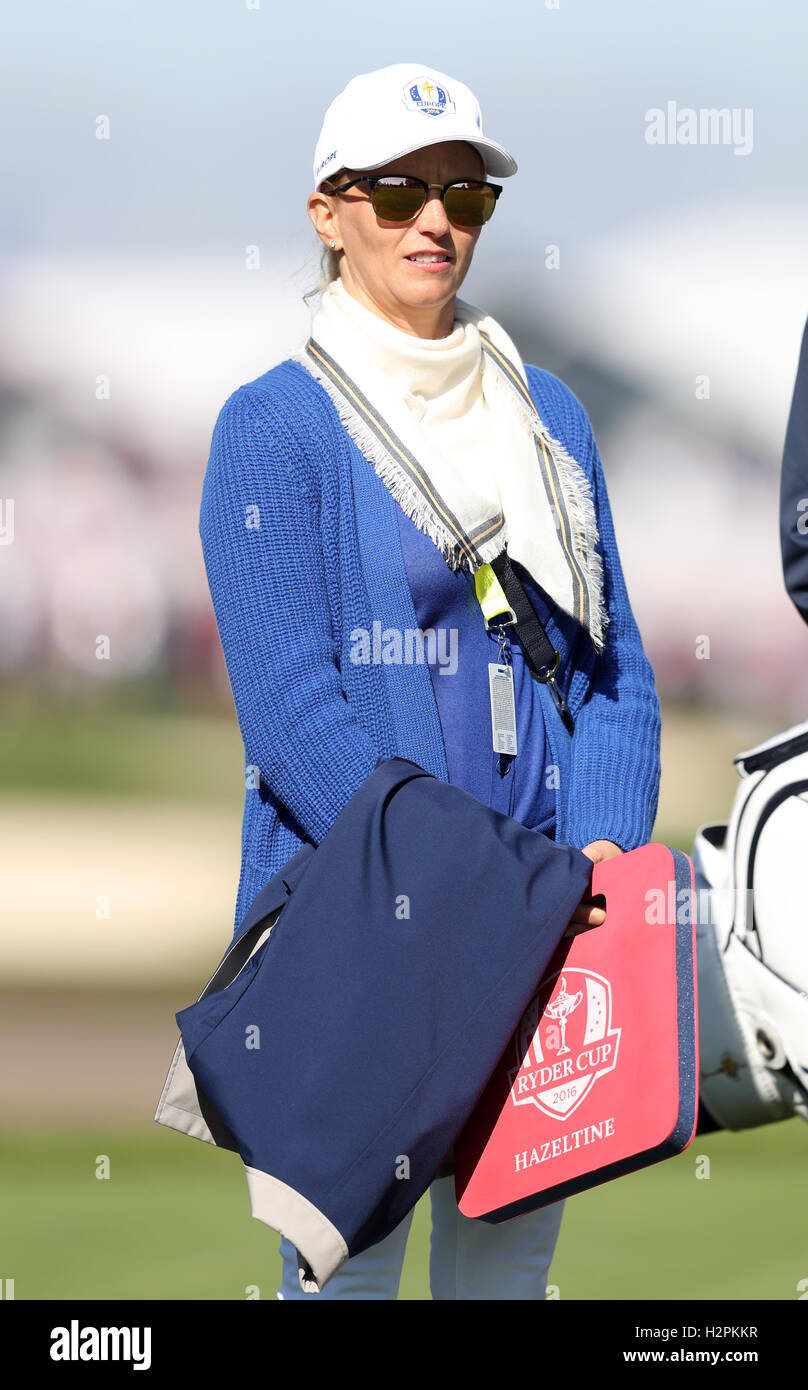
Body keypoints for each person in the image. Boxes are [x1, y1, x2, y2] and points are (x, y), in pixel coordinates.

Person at [198, 62, 661, 1300]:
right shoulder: (271, 426)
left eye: (465, 192)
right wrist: (465, 887)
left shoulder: (548, 411)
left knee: (507, 1276)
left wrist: (605, 849)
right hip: (371, 921)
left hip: (548, 913)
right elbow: (294, 713)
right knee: (347, 1277)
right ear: (327, 210)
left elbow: (613, 667)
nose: (434, 219)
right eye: (398, 190)